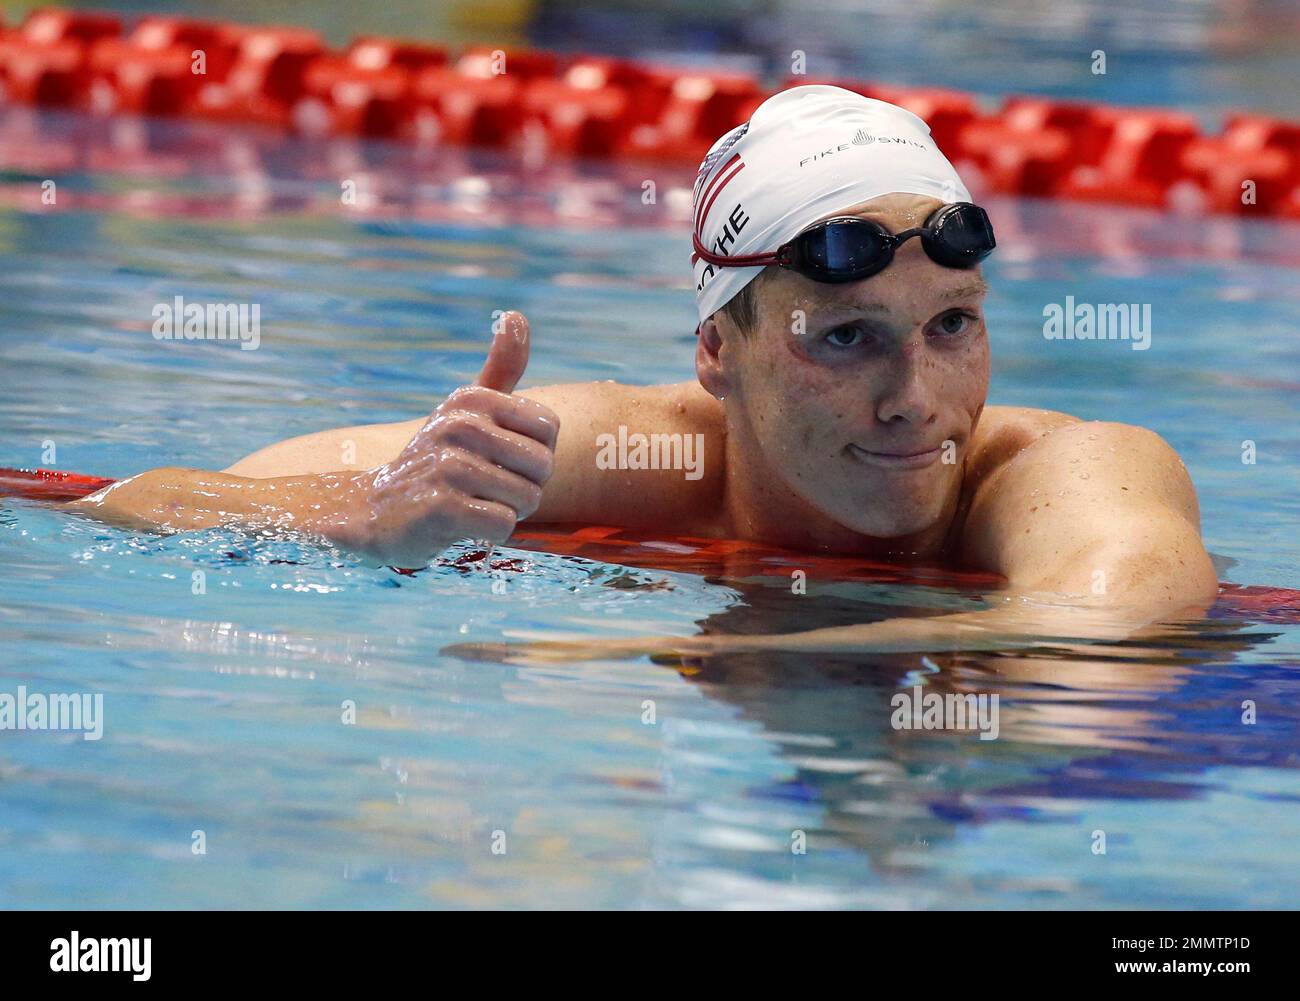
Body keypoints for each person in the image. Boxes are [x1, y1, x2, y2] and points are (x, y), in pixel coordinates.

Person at [72, 86, 1218, 654]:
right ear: (717, 353)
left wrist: (648, 647)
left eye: (952, 325)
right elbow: (144, 503)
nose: (918, 398)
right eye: (845, 334)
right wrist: (372, 516)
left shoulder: (1068, 470)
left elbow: (1112, 628)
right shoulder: (625, 451)